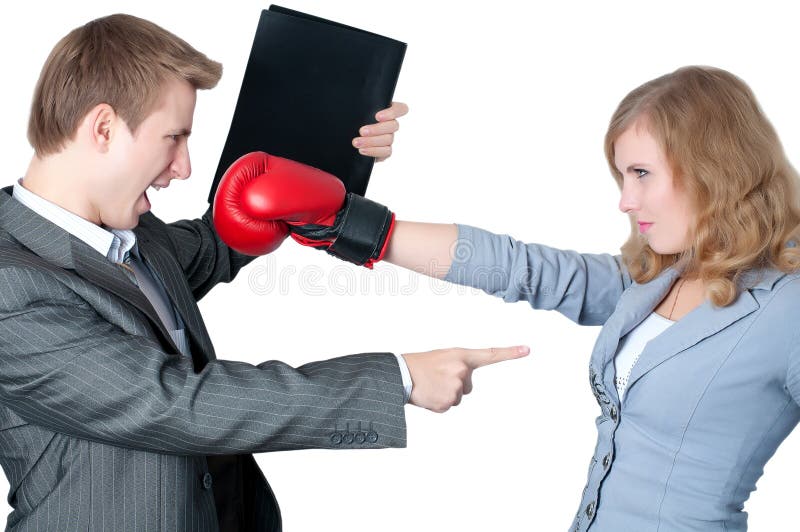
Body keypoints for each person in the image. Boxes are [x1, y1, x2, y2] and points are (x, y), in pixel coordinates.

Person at [0, 13, 529, 532]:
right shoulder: (12, 286)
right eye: (173, 137)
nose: (184, 167)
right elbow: (180, 404)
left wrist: (340, 145)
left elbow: (225, 234)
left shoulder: (132, 235)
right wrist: (398, 379)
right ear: (104, 127)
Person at [239, 65, 800, 530]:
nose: (626, 201)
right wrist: (344, 226)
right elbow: (523, 268)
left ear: (715, 171)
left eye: (642, 173)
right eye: (621, 176)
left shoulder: (787, 308)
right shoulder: (657, 278)